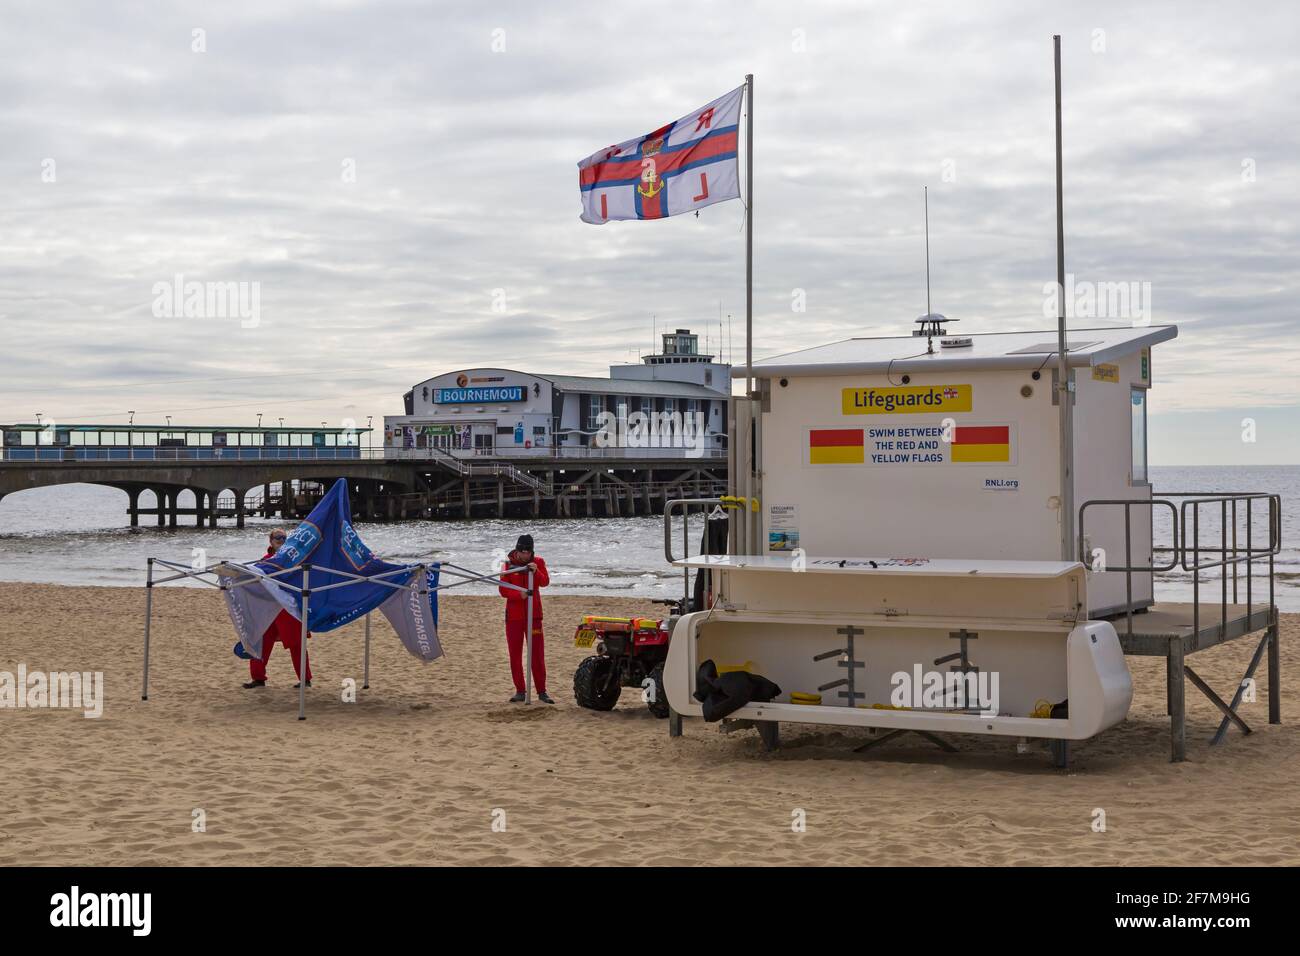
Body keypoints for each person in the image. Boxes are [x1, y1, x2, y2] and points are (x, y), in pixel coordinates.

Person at [242, 528, 314, 689]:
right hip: (269, 609)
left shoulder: (296, 560)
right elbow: (256, 582)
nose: (280, 540)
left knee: (297, 644)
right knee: (260, 642)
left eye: (283, 537)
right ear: (271, 541)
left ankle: (305, 679)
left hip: (288, 609)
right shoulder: (265, 561)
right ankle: (258, 678)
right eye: (277, 538)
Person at [498, 533, 551, 704]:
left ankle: (542, 691)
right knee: (515, 654)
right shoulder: (507, 565)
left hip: (534, 615)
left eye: (528, 552)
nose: (525, 555)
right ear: (517, 550)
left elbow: (545, 582)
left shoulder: (539, 563)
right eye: (522, 551)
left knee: (537, 654)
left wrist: (536, 572)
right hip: (514, 617)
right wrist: (518, 595)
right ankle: (520, 690)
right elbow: (503, 590)